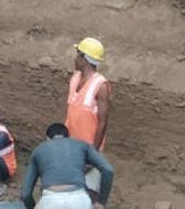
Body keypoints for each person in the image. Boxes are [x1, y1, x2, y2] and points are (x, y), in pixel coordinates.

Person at [19, 123, 114, 209]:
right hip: (80, 201)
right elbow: (108, 170)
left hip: (50, 202)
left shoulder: (38, 150)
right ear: (68, 137)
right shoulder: (82, 145)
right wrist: (101, 202)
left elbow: (25, 194)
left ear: (47, 139)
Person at [65, 37, 111, 202]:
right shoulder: (75, 78)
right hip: (71, 147)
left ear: (85, 59)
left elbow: (103, 122)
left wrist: (93, 155)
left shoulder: (101, 85)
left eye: (78, 54)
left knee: (89, 193)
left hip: (88, 150)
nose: (75, 58)